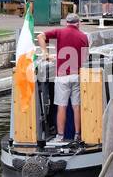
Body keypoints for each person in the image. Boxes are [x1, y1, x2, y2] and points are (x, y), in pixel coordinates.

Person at [37, 12, 89, 144]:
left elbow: (40, 36)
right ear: (78, 24)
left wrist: (46, 53)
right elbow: (85, 57)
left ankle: (60, 136)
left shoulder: (59, 32)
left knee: (62, 106)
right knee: (76, 106)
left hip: (62, 77)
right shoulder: (83, 36)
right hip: (76, 76)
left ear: (66, 23)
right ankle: (77, 135)